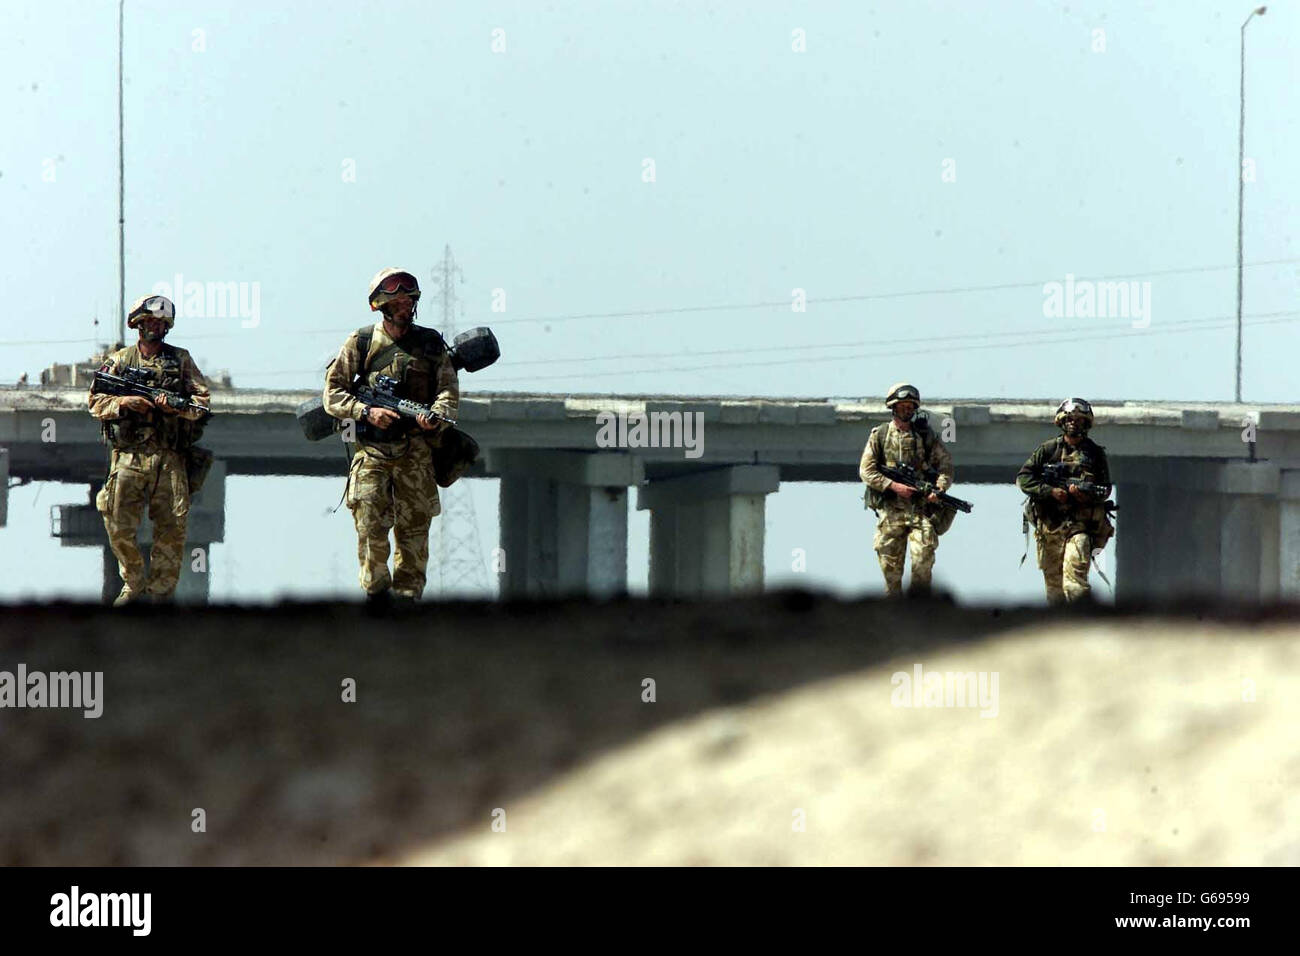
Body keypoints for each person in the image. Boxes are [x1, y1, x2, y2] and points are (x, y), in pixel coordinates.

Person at [323, 268, 459, 603]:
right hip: (372, 455)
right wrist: (366, 412)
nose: (404, 307)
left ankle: (408, 601)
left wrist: (436, 418)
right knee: (371, 532)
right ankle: (377, 600)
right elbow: (332, 393)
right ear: (381, 304)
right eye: (396, 301)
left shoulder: (429, 344)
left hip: (415, 454)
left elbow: (447, 391)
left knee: (415, 535)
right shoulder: (362, 341)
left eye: (408, 300)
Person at [88, 294, 211, 606]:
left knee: (172, 530)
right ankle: (133, 581)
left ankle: (159, 596)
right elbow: (94, 401)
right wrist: (124, 403)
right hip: (129, 457)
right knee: (116, 522)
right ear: (138, 324)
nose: (154, 327)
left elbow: (201, 404)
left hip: (169, 459)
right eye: (150, 321)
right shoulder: (119, 361)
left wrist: (174, 408)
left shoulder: (181, 360)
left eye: (160, 322)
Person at [859, 383, 954, 597]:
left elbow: (946, 466)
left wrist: (937, 490)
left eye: (910, 406)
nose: (907, 410)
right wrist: (894, 486)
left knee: (922, 562)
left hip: (920, 511)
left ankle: (919, 612)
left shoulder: (925, 437)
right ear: (893, 407)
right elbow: (866, 471)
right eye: (902, 406)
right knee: (890, 573)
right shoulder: (880, 435)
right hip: (891, 513)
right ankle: (893, 617)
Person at [1016, 397, 1114, 604]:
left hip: (1079, 527)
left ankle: (1085, 624)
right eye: (1070, 419)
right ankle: (1061, 632)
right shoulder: (1048, 449)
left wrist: (1084, 495)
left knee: (1075, 584)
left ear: (1086, 424)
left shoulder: (1094, 454)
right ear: (1061, 421)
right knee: (1054, 591)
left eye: (1079, 420)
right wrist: (1049, 491)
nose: (1074, 423)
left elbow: (1105, 489)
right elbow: (1023, 478)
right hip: (1049, 528)